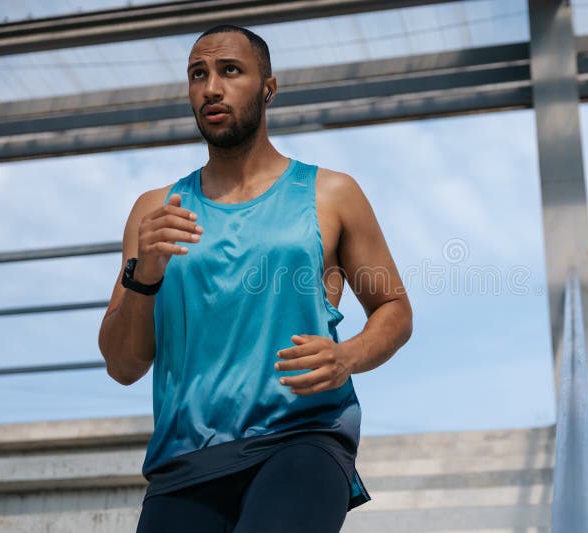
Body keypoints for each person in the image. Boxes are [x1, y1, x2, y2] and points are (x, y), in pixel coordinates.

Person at [98, 23, 413, 533]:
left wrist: (347, 355)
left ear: (269, 87)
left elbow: (394, 308)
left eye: (230, 71)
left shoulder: (330, 193)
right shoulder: (155, 211)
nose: (211, 88)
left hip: (303, 437)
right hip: (185, 461)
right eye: (197, 74)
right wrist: (145, 274)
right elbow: (122, 364)